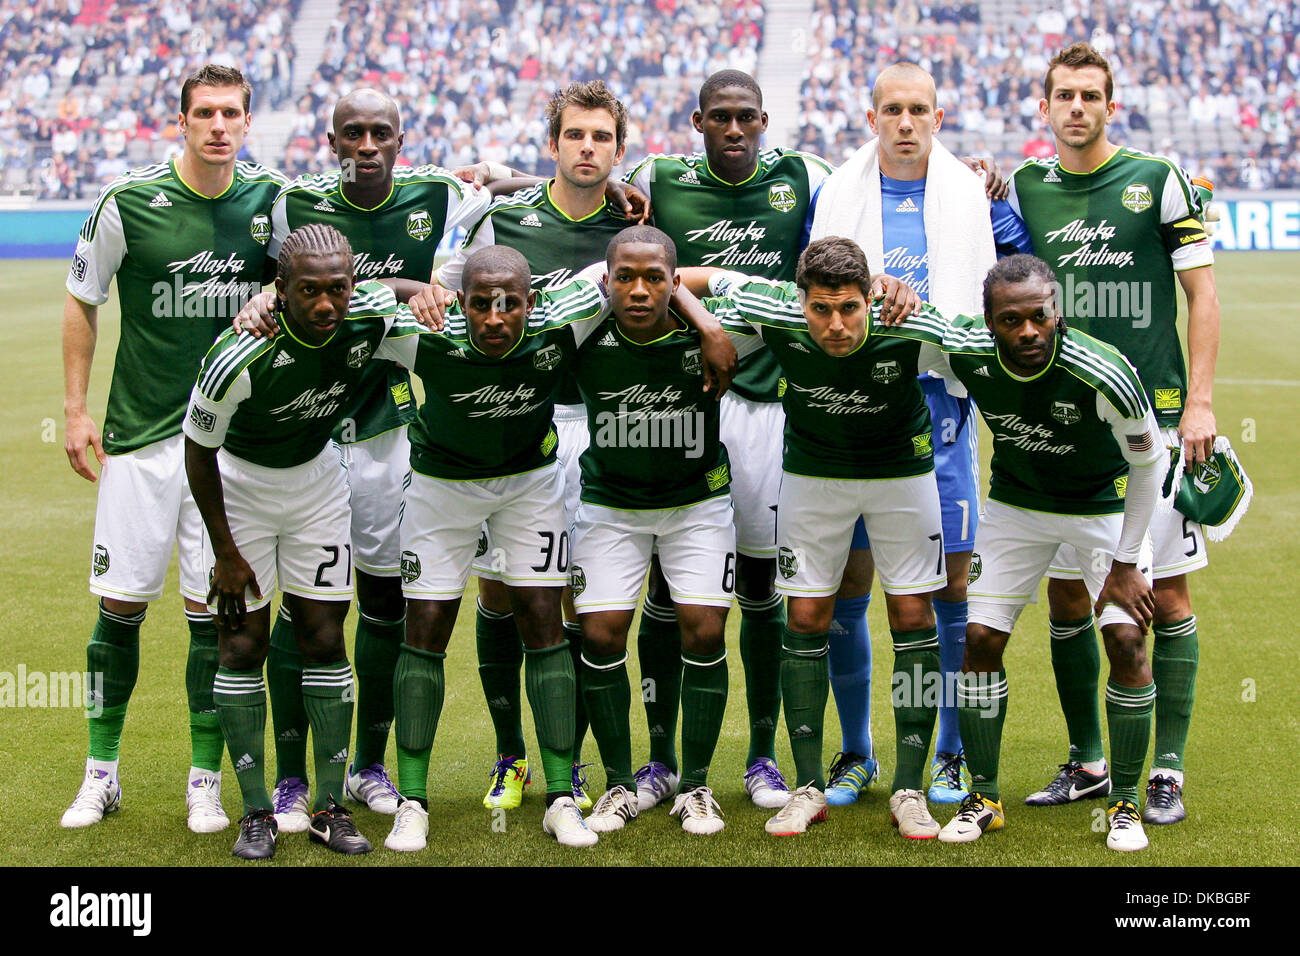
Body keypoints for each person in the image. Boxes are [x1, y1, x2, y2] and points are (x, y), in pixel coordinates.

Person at [256, 88, 495, 832]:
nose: (367, 144)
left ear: (400, 140)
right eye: (352, 133)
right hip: (311, 434)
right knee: (305, 611)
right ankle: (293, 778)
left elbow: (501, 182)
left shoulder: (435, 192)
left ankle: (368, 764)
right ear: (332, 143)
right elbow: (276, 282)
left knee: (385, 603)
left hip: (388, 432)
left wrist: (614, 185)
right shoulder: (296, 205)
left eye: (380, 133)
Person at [60, 64, 286, 835]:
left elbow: (320, 286)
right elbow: (83, 300)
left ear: (248, 123)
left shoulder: (271, 204)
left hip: (230, 450)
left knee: (214, 617)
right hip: (142, 439)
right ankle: (100, 774)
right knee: (118, 609)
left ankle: (203, 782)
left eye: (232, 114)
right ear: (181, 121)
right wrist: (73, 409)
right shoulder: (128, 202)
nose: (219, 125)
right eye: (205, 113)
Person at [876, 254, 1165, 851]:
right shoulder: (966, 350)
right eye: (1012, 321)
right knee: (981, 639)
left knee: (1126, 639)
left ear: (1056, 310)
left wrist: (1128, 562)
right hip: (1016, 507)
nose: (1029, 331)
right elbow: (900, 326)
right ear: (988, 321)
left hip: (1105, 510)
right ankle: (984, 797)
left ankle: (1126, 804)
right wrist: (887, 286)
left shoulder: (1102, 372)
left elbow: (1148, 462)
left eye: (1040, 316)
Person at [807, 62, 1033, 807]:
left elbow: (1021, 277)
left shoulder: (975, 198)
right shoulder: (836, 191)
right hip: (859, 408)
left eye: (919, 110)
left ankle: (948, 750)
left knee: (948, 585)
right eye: (893, 110)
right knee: (850, 584)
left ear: (938, 117)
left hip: (941, 408)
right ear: (872, 118)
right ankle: (857, 752)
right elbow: (814, 290)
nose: (906, 123)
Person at [1007, 43, 1219, 825]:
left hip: (1156, 422)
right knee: (1069, 597)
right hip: (1062, 425)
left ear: (1109, 103)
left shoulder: (1156, 179)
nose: (1076, 107)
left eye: (1090, 95)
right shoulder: (1028, 187)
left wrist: (1198, 402)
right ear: (1044, 105)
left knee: (1161, 590)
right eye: (1063, 95)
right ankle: (1089, 760)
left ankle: (1165, 768)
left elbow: (1201, 294)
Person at [677, 238, 950, 838]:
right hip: (811, 478)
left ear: (868, 300)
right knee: (804, 618)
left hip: (901, 477)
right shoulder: (770, 304)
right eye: (820, 309)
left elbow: (987, 352)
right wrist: (707, 325)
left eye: (849, 308)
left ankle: (908, 787)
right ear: (798, 300)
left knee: (912, 616)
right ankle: (806, 787)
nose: (835, 325)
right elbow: (679, 276)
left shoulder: (906, 320)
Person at [422, 80, 641, 813]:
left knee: (574, 605)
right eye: (574, 135)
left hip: (607, 425)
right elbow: (443, 292)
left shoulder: (632, 221)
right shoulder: (503, 219)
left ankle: (567, 763)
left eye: (601, 138)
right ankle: (509, 755)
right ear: (552, 144)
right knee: (502, 592)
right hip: (517, 428)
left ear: (619, 148)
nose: (588, 148)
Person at [621, 70, 834, 812]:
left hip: (770, 409)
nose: (735, 130)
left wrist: (975, 174)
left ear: (764, 119)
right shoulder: (656, 178)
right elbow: (585, 189)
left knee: (759, 586)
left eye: (747, 118)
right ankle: (659, 760)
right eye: (721, 118)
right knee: (667, 587)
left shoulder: (802, 177)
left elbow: (870, 199)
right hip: (679, 405)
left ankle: (762, 756)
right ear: (698, 121)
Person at [183, 223, 427, 859]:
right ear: (279, 291)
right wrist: (227, 552)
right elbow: (198, 451)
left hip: (318, 484)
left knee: (324, 635)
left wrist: (419, 287)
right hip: (240, 491)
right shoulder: (239, 352)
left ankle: (327, 806)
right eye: (309, 291)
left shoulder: (363, 315)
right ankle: (257, 811)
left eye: (338, 289)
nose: (326, 305)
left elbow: (390, 293)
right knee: (242, 642)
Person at [383, 246, 616, 851]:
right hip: (441, 488)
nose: (495, 317)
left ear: (531, 303)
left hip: (528, 486)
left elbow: (619, 274)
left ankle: (562, 796)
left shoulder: (562, 320)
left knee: (542, 620)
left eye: (510, 303)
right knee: (426, 626)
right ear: (461, 304)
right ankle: (413, 801)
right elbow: (347, 294)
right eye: (481, 303)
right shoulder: (426, 333)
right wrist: (415, 289)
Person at [570, 226, 741, 837]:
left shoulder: (717, 329)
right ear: (606, 281)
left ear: (674, 281)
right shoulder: (583, 327)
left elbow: (766, 291)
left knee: (704, 628)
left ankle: (694, 785)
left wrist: (710, 326)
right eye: (624, 278)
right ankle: (619, 782)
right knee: (601, 631)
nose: (638, 290)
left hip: (697, 502)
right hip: (611, 503)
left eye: (654, 279)